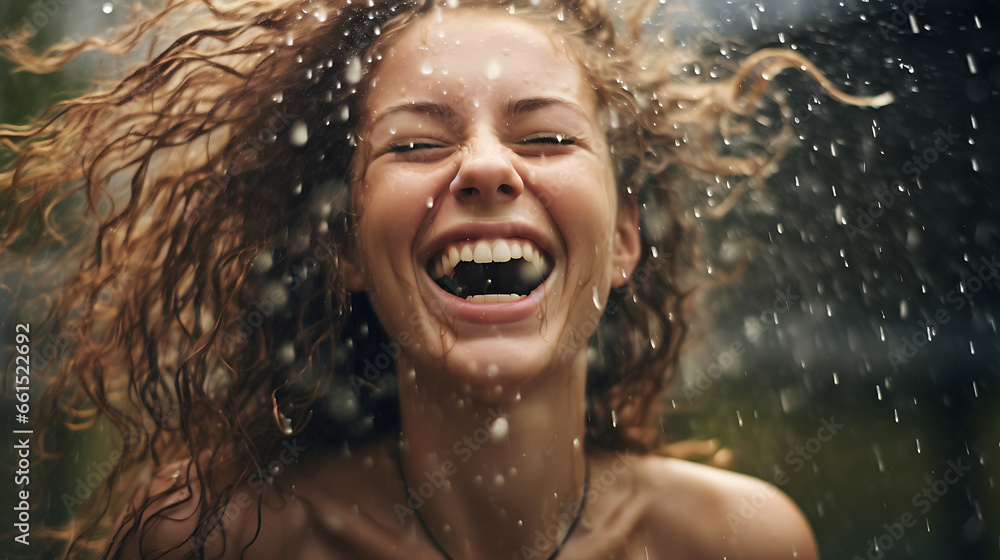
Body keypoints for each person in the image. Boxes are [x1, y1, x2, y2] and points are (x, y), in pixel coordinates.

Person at [0, 0, 889, 558]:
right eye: (417, 143)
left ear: (622, 243)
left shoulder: (741, 544)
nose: (486, 167)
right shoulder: (222, 538)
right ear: (345, 248)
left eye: (545, 136)